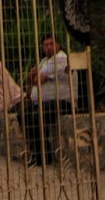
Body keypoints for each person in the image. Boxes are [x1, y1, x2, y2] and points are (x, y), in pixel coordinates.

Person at [22, 34, 71, 166]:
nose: (48, 47)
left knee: (37, 115)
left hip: (62, 101)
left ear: (58, 45)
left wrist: (36, 76)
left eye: (51, 44)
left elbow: (37, 80)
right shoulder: (44, 61)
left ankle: (42, 156)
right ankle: (37, 152)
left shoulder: (60, 59)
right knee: (23, 113)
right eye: (46, 45)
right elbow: (29, 80)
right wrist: (34, 76)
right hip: (45, 102)